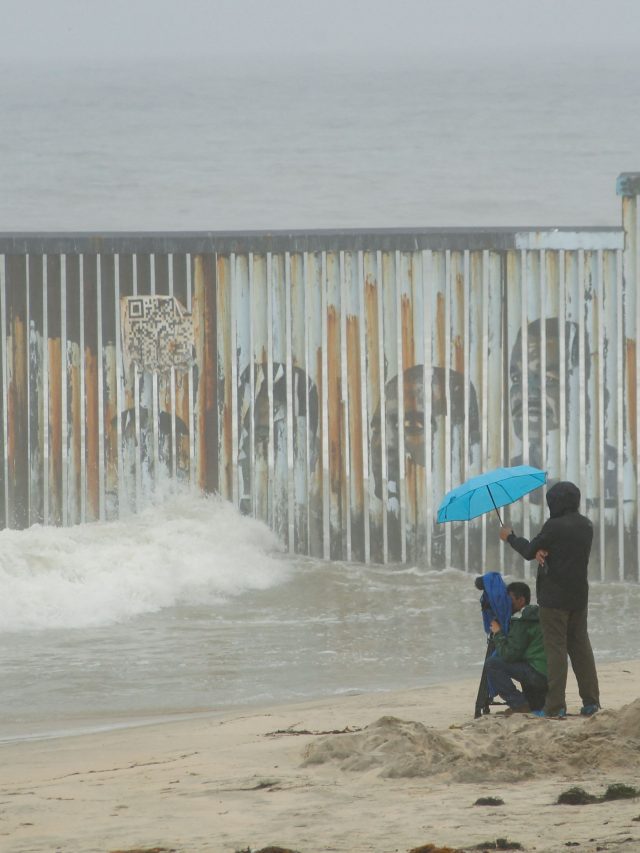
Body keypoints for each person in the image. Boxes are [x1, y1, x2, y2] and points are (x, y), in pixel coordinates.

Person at [499, 480, 600, 718]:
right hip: (579, 597)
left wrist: (510, 537)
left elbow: (528, 551)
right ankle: (591, 702)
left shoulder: (553, 526)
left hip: (554, 600)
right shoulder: (586, 525)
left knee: (556, 651)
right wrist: (542, 550)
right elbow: (561, 551)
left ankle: (555, 706)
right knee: (581, 649)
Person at [485, 581, 548, 715]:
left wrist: (498, 633)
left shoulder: (522, 620)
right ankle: (527, 703)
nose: (507, 604)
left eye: (510, 600)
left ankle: (519, 704)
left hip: (536, 675)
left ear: (521, 600)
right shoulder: (536, 614)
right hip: (547, 674)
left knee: (492, 664)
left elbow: (509, 655)